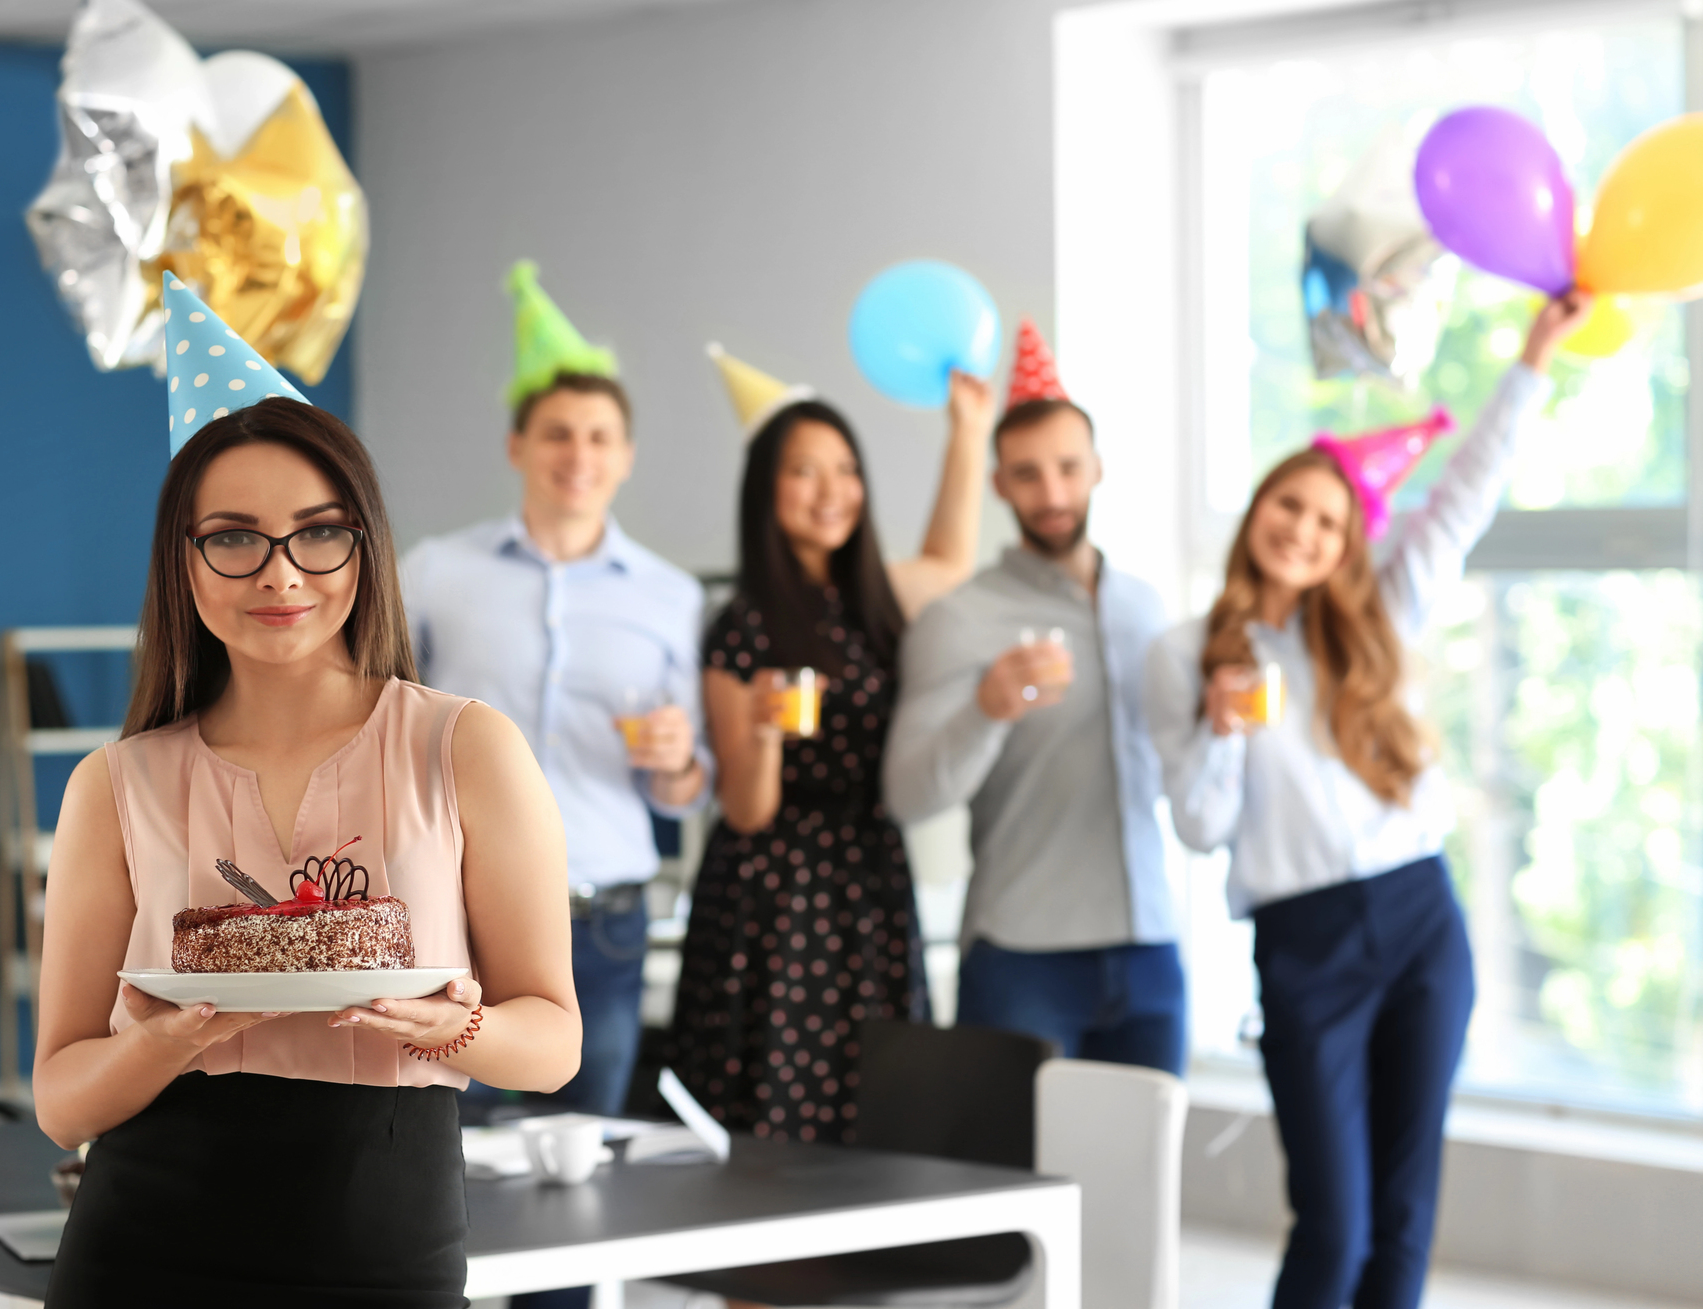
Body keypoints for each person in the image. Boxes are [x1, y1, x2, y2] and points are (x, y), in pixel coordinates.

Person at [36, 276, 579, 1308]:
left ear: (363, 543)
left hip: (384, 1246)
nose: (280, 574)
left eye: (318, 532)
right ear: (182, 562)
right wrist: (154, 1044)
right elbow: (61, 1102)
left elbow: (552, 1041)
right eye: (233, 537)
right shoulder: (115, 785)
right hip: (144, 1248)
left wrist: (450, 1028)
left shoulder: (465, 747)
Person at [1143, 292, 1592, 1309]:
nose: (1300, 530)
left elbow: (1467, 491)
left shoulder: (1376, 615)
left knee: (1401, 1217)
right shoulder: (1181, 654)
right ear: (1254, 510)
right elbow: (1200, 827)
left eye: (1326, 520)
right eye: (1286, 506)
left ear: (1350, 542)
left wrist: (1530, 354)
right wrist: (1218, 730)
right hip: (1301, 944)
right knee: (1331, 1221)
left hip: (1417, 915)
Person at [403, 261, 710, 1128]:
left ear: (626, 456)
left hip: (602, 923)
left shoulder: (672, 596)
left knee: (579, 1177)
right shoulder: (435, 571)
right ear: (518, 447)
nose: (579, 455)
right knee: (442, 1157)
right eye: (558, 433)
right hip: (452, 912)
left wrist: (678, 759)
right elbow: (374, 719)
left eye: (599, 436)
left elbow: (688, 787)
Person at [668, 343, 990, 1143]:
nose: (831, 491)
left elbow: (950, 559)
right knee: (771, 1106)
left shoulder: (880, 595)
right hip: (769, 895)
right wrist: (767, 733)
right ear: (766, 488)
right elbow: (745, 810)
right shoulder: (739, 627)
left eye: (845, 469)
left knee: (874, 1103)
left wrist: (969, 432)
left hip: (870, 875)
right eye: (804, 470)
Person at [883, 318, 1179, 1073]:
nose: (1051, 492)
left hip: (1151, 951)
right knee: (1017, 1184)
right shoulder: (960, 618)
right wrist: (987, 707)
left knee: (1143, 1185)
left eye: (1068, 468)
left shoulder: (1147, 609)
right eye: (1027, 473)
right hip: (1022, 957)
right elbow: (907, 797)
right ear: (998, 484)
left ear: (1098, 469)